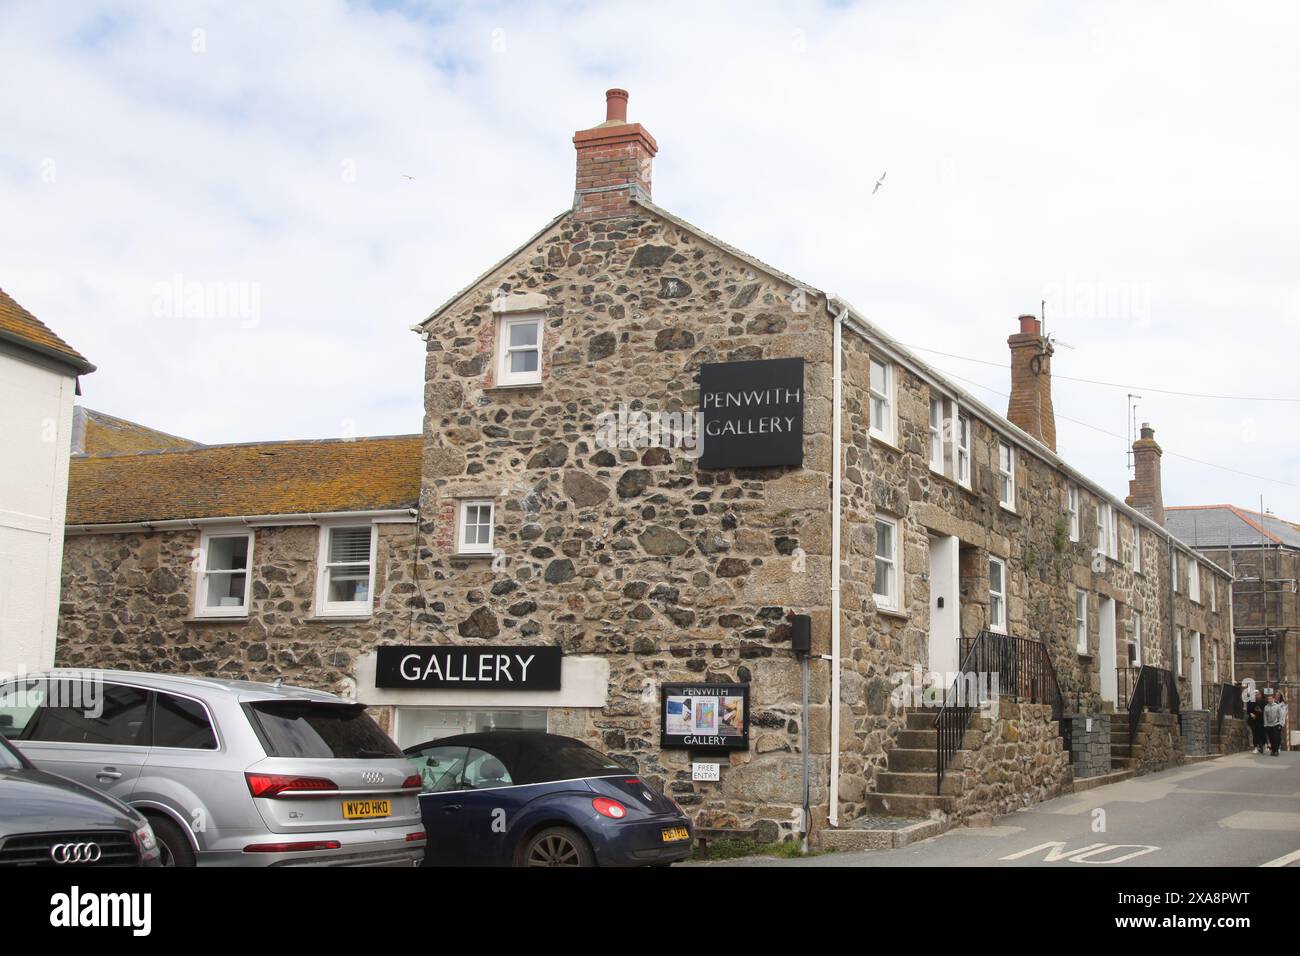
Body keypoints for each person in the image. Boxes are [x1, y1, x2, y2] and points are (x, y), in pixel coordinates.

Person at [1263, 693, 1284, 757]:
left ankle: (1276, 750)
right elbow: (1265, 717)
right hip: (1269, 725)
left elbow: (1281, 715)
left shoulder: (1277, 706)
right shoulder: (1266, 707)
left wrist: (1280, 724)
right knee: (1271, 738)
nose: (1269, 700)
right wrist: (1265, 725)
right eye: (1268, 699)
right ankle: (1272, 750)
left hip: (1276, 724)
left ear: (1273, 699)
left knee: (1276, 738)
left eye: (1271, 699)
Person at [1246, 689, 1266, 754]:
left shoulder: (1263, 701)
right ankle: (1256, 747)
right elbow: (1248, 710)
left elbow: (1265, 710)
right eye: (1255, 694)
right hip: (1253, 720)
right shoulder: (1250, 701)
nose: (1256, 695)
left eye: (1257, 694)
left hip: (1261, 719)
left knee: (1262, 733)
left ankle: (1262, 746)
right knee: (1255, 733)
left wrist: (1261, 711)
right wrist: (1251, 714)